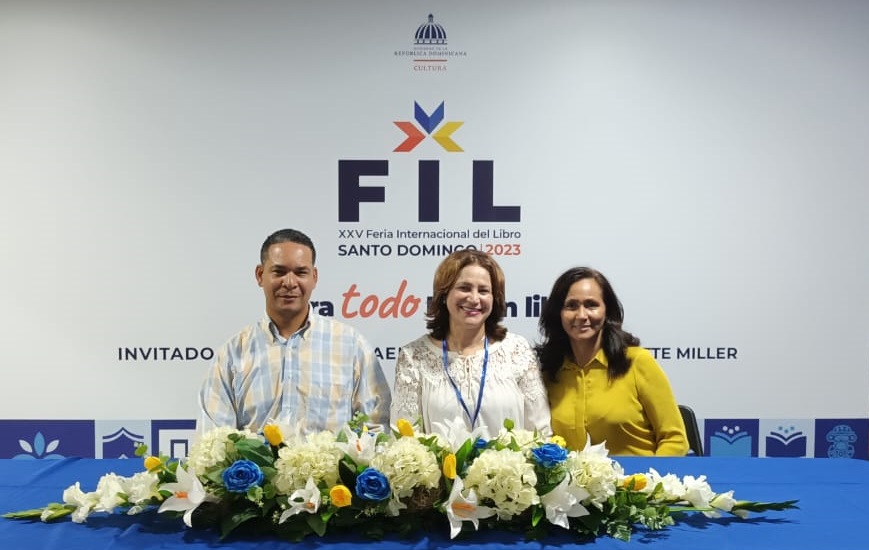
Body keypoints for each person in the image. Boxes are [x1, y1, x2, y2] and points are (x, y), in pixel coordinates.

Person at [199, 228, 391, 434]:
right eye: (279, 272)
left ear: (314, 277)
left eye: (300, 273)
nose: (290, 283)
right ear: (260, 275)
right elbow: (214, 440)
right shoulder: (232, 354)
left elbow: (376, 430)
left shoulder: (351, 346)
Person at [391, 250, 551, 438]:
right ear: (444, 294)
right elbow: (404, 441)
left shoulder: (517, 350)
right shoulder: (413, 357)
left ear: (494, 298)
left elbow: (540, 434)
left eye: (483, 291)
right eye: (464, 288)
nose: (474, 299)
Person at [536, 267, 687, 456]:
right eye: (571, 306)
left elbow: (674, 439)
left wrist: (650, 475)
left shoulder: (637, 362)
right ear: (558, 313)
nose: (581, 315)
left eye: (591, 305)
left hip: (639, 475)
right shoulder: (550, 373)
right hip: (573, 476)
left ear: (607, 311)